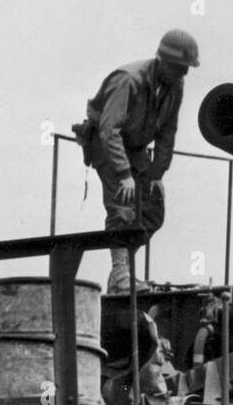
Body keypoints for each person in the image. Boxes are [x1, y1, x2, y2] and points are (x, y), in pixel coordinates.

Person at [82, 29, 200, 293]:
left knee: (152, 207)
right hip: (105, 142)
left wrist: (157, 172)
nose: (184, 73)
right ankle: (121, 274)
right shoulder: (128, 80)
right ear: (164, 62)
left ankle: (124, 272)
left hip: (134, 146)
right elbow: (109, 128)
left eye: (186, 69)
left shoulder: (174, 87)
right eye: (180, 67)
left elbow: (168, 131)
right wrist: (124, 174)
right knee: (122, 203)